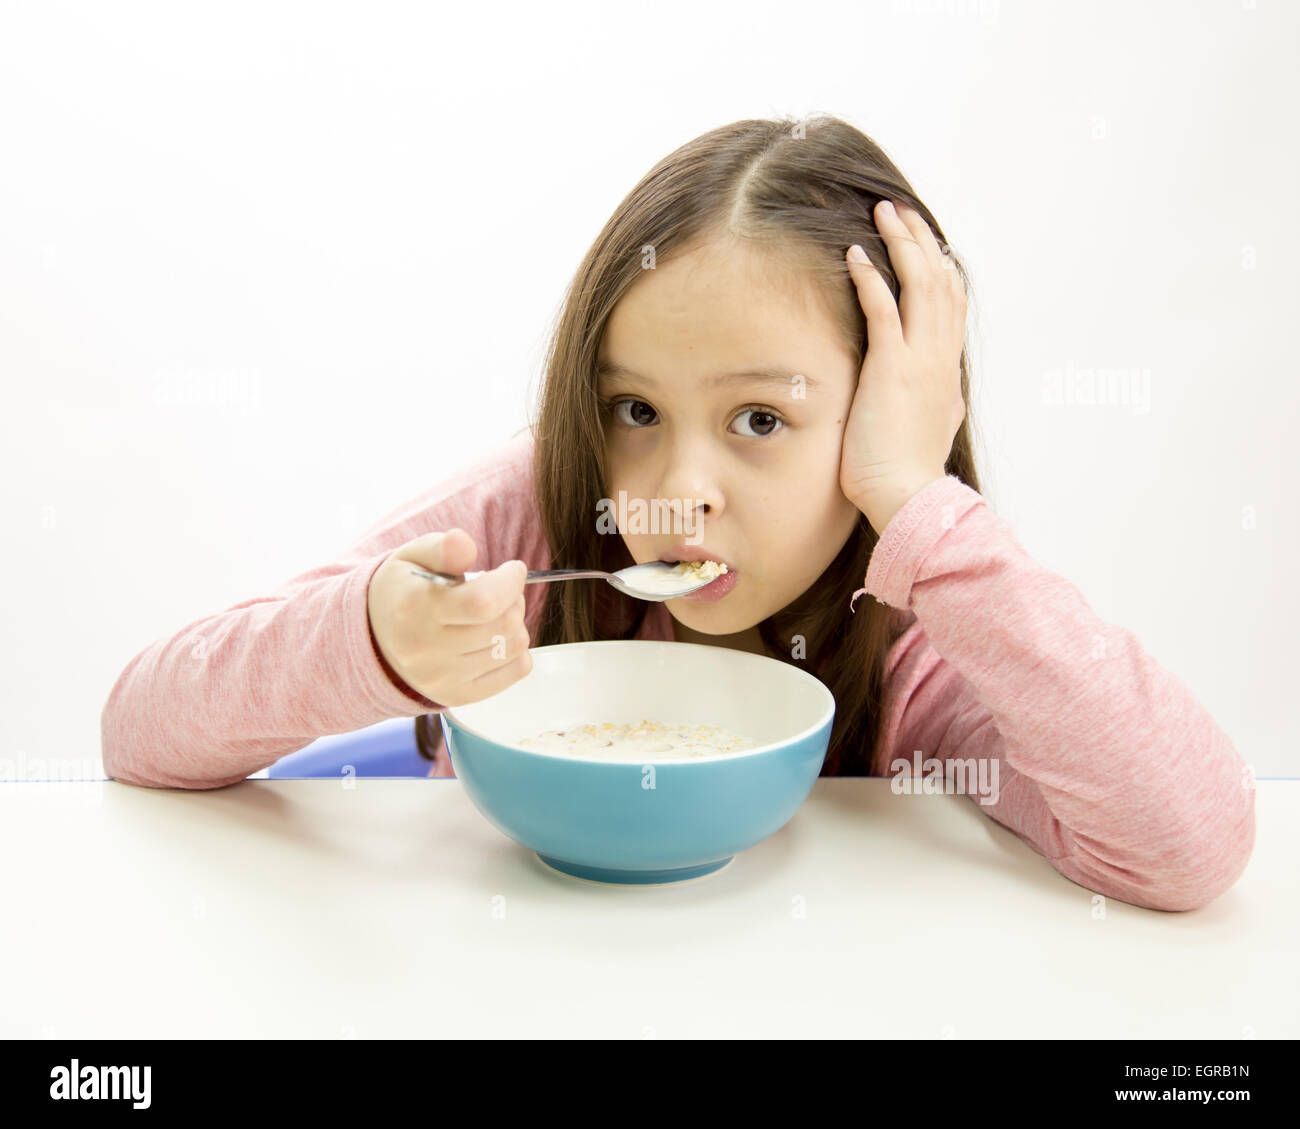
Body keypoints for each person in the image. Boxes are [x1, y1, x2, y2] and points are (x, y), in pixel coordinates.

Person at [100, 115, 1254, 912]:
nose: (668, 491)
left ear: (879, 422)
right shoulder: (539, 508)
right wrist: (372, 638)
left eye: (759, 420)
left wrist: (917, 505)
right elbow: (140, 729)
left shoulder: (919, 647)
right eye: (635, 407)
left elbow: (1187, 850)